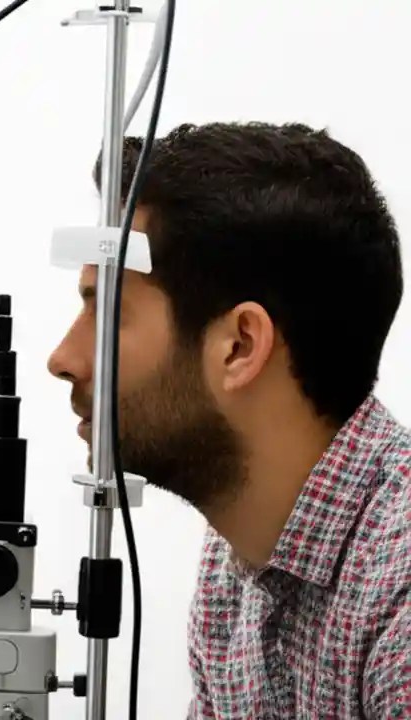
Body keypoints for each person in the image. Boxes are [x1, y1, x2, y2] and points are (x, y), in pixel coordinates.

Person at [47, 121, 409, 718]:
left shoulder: (399, 589)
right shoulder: (232, 565)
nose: (63, 359)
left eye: (110, 313)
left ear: (240, 346)